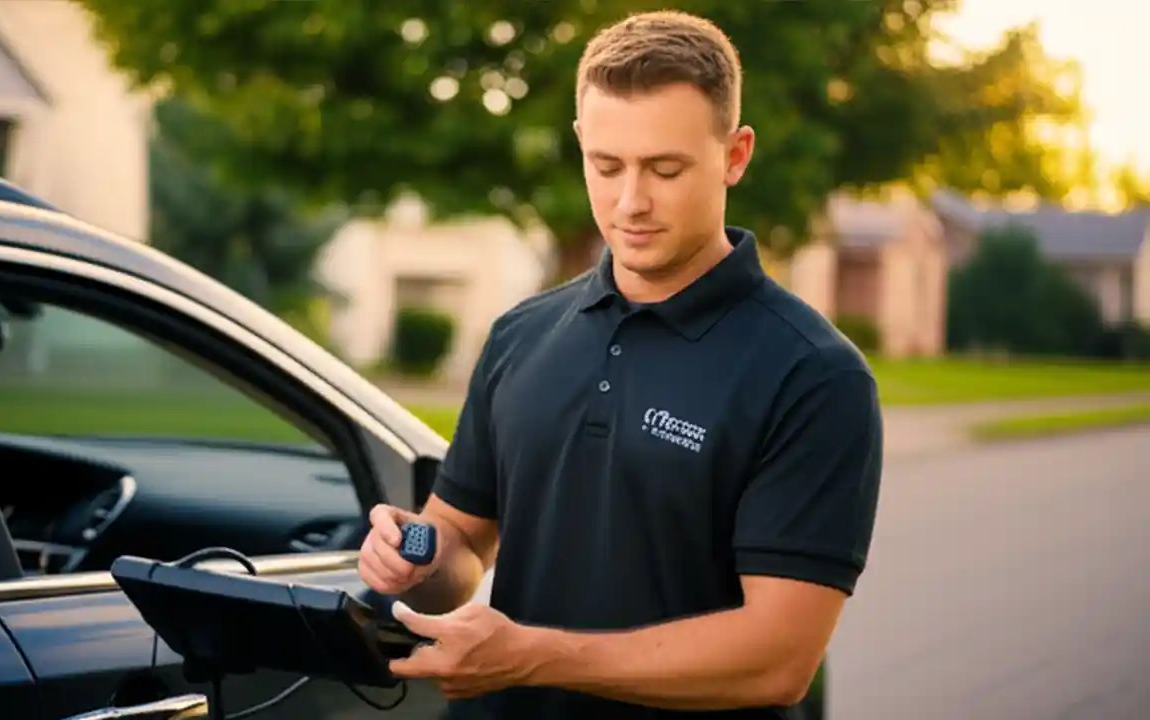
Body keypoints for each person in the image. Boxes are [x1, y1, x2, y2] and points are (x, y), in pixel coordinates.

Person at [357, 9, 883, 719]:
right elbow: (461, 549)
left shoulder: (814, 375)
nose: (630, 201)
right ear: (580, 143)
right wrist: (415, 562)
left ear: (735, 154)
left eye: (665, 169)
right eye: (606, 166)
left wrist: (535, 655)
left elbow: (777, 660)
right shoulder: (521, 334)